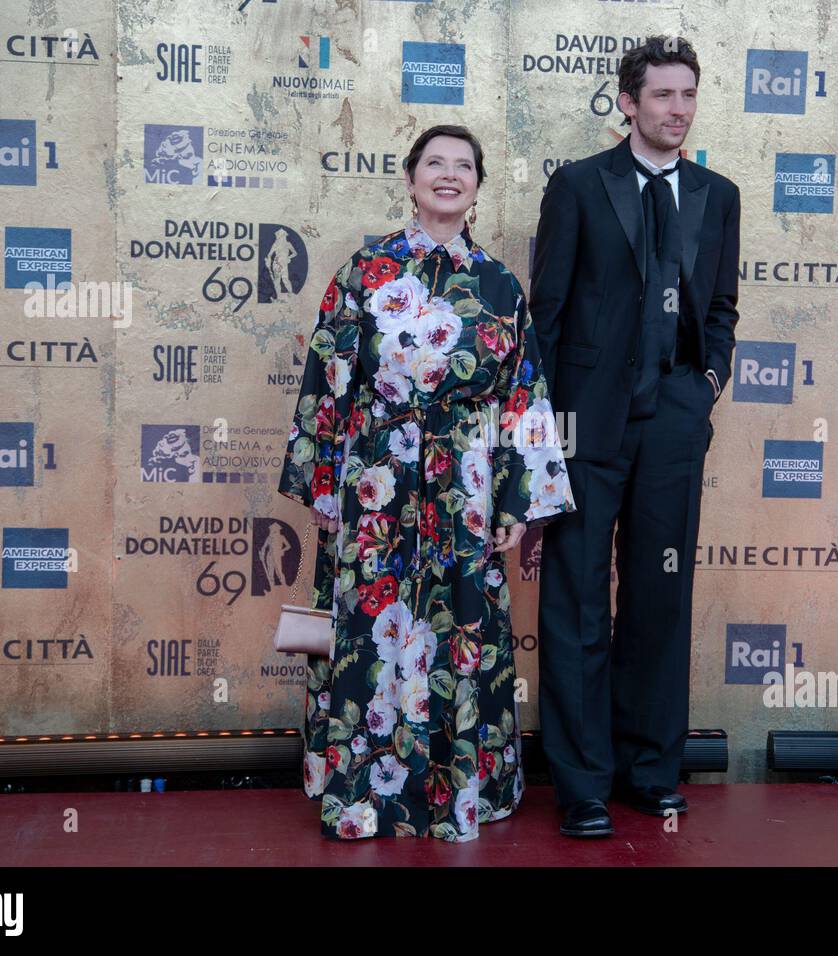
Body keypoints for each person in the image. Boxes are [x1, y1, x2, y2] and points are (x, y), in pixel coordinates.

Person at [277, 124, 576, 841]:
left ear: (477, 185)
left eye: (463, 167)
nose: (448, 176)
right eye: (434, 164)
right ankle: (364, 794)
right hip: (373, 482)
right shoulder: (364, 271)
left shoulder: (501, 285)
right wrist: (325, 487)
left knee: (458, 636)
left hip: (465, 487)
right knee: (370, 632)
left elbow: (523, 397)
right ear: (410, 180)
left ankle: (455, 795)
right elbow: (327, 380)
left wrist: (516, 499)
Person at [530, 36, 740, 837]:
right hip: (586, 424)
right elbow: (545, 319)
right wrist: (543, 436)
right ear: (628, 103)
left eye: (687, 95)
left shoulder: (718, 196)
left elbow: (719, 309)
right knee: (577, 600)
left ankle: (648, 771)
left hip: (675, 425)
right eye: (661, 96)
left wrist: (708, 384)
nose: (676, 110)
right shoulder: (580, 186)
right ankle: (580, 783)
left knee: (660, 598)